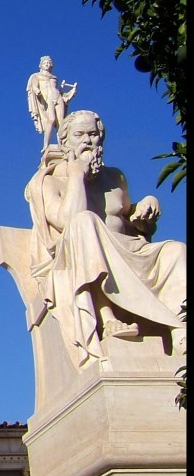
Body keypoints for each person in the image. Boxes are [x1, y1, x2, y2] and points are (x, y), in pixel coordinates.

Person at [25, 109, 186, 367]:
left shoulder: (115, 177)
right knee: (84, 222)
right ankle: (107, 317)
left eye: (93, 134)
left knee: (175, 250)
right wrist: (76, 175)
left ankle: (179, 330)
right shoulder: (49, 182)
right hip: (81, 253)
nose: (87, 141)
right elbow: (69, 221)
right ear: (65, 141)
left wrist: (146, 206)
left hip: (127, 249)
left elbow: (127, 215)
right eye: (79, 135)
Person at [26, 55, 76, 153]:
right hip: (48, 99)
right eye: (45, 63)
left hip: (57, 97)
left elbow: (58, 90)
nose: (47, 64)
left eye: (49, 63)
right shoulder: (36, 76)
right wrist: (37, 91)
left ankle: (62, 144)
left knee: (61, 122)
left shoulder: (54, 77)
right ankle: (46, 145)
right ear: (41, 65)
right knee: (51, 119)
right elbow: (34, 86)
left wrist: (69, 93)